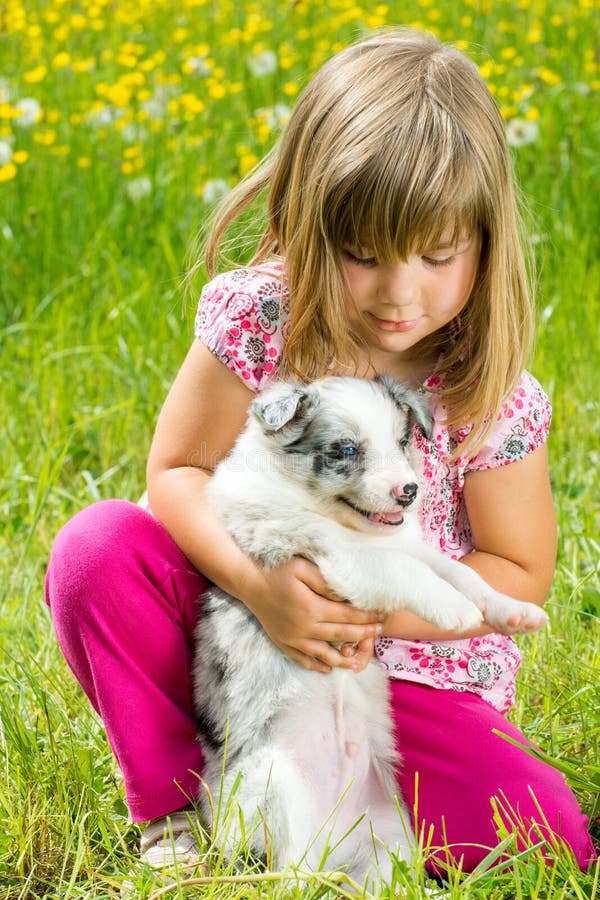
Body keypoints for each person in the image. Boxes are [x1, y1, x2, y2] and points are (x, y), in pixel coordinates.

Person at [45, 28, 595, 875]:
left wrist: (354, 614)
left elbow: (516, 568)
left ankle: (328, 800)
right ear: (306, 223)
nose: (397, 291)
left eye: (438, 255)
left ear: (486, 244)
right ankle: (178, 801)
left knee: (544, 836)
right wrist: (265, 591)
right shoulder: (262, 320)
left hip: (403, 676)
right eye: (360, 255)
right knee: (98, 551)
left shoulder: (489, 389)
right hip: (236, 635)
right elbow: (177, 474)